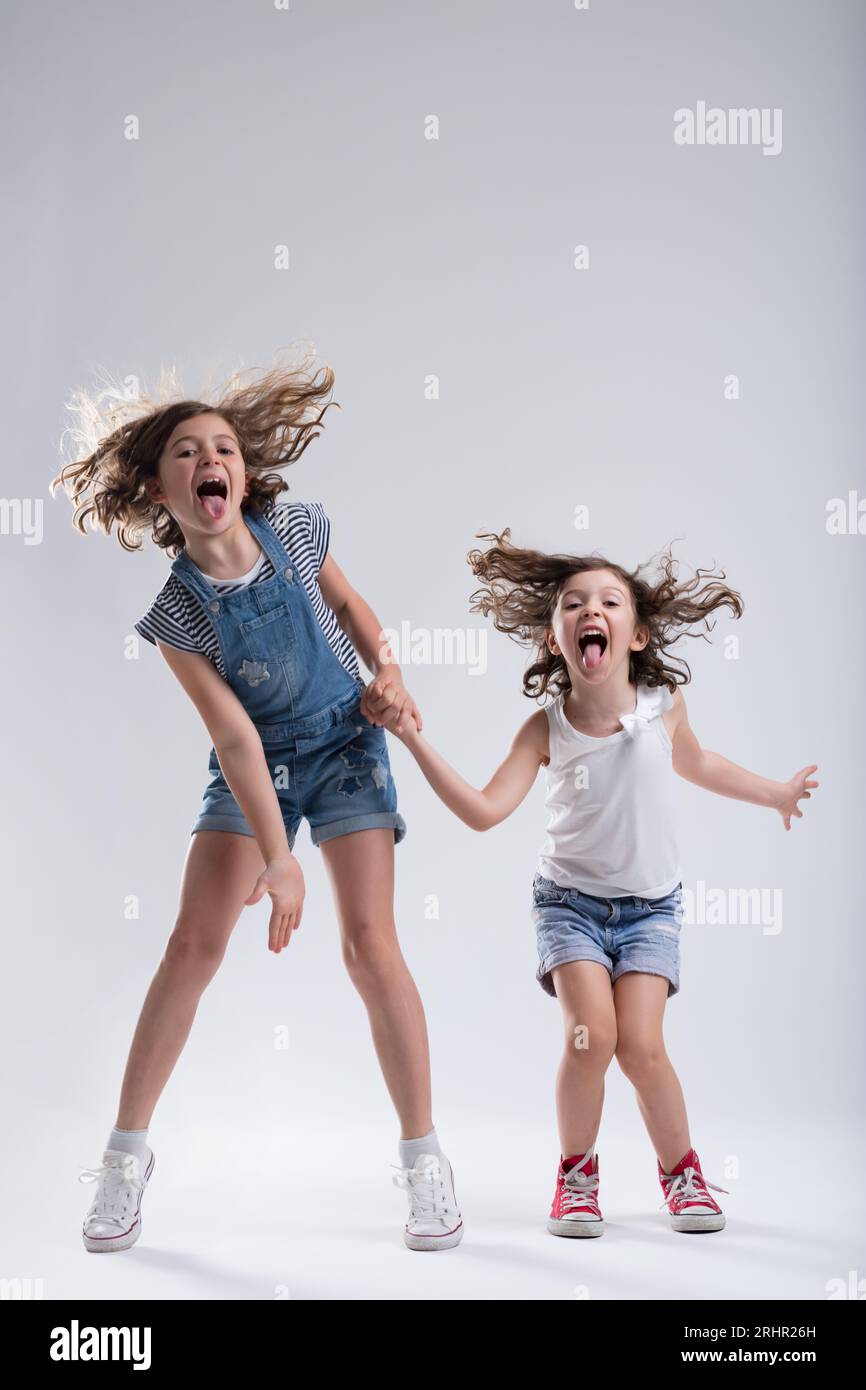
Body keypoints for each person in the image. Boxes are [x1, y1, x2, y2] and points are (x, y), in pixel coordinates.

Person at [51, 351, 463, 1254]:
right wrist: (277, 857)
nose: (213, 460)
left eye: (225, 447)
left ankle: (425, 1162)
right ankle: (123, 1162)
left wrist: (387, 672)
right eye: (189, 453)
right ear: (161, 492)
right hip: (259, 766)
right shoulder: (178, 614)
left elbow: (354, 610)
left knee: (369, 948)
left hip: (348, 742)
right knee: (192, 947)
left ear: (242, 475)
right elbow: (237, 741)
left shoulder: (296, 528)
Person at [384, 527, 818, 1236]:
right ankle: (577, 1176)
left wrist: (773, 793)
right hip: (570, 907)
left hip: (652, 910)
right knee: (591, 1038)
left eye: (610, 602)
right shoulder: (544, 728)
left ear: (636, 635)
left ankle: (682, 1176)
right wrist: (411, 737)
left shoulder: (663, 706)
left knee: (641, 1048)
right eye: (574, 604)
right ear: (557, 638)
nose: (592, 611)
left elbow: (700, 764)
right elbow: (486, 810)